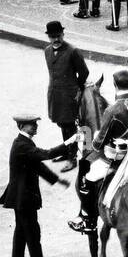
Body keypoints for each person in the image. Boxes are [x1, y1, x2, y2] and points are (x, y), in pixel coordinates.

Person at [68, 69, 128, 234]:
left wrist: (93, 139)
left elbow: (98, 144)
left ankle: (88, 220)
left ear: (115, 85)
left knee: (87, 177)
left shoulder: (113, 110)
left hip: (116, 156)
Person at [0, 111, 73, 257]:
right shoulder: (23, 145)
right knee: (32, 231)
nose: (36, 127)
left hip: (19, 196)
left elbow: (37, 166)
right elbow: (47, 155)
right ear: (22, 126)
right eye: (33, 124)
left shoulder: (23, 143)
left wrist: (57, 180)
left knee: (22, 230)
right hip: (24, 197)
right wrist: (69, 142)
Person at [43, 20, 88, 171]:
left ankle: (73, 157)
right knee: (61, 123)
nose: (56, 39)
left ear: (63, 34)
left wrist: (78, 89)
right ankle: (66, 151)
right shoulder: (47, 51)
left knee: (70, 126)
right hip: (55, 95)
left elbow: (84, 72)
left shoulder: (73, 51)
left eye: (58, 36)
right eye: (52, 37)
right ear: (48, 37)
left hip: (69, 95)